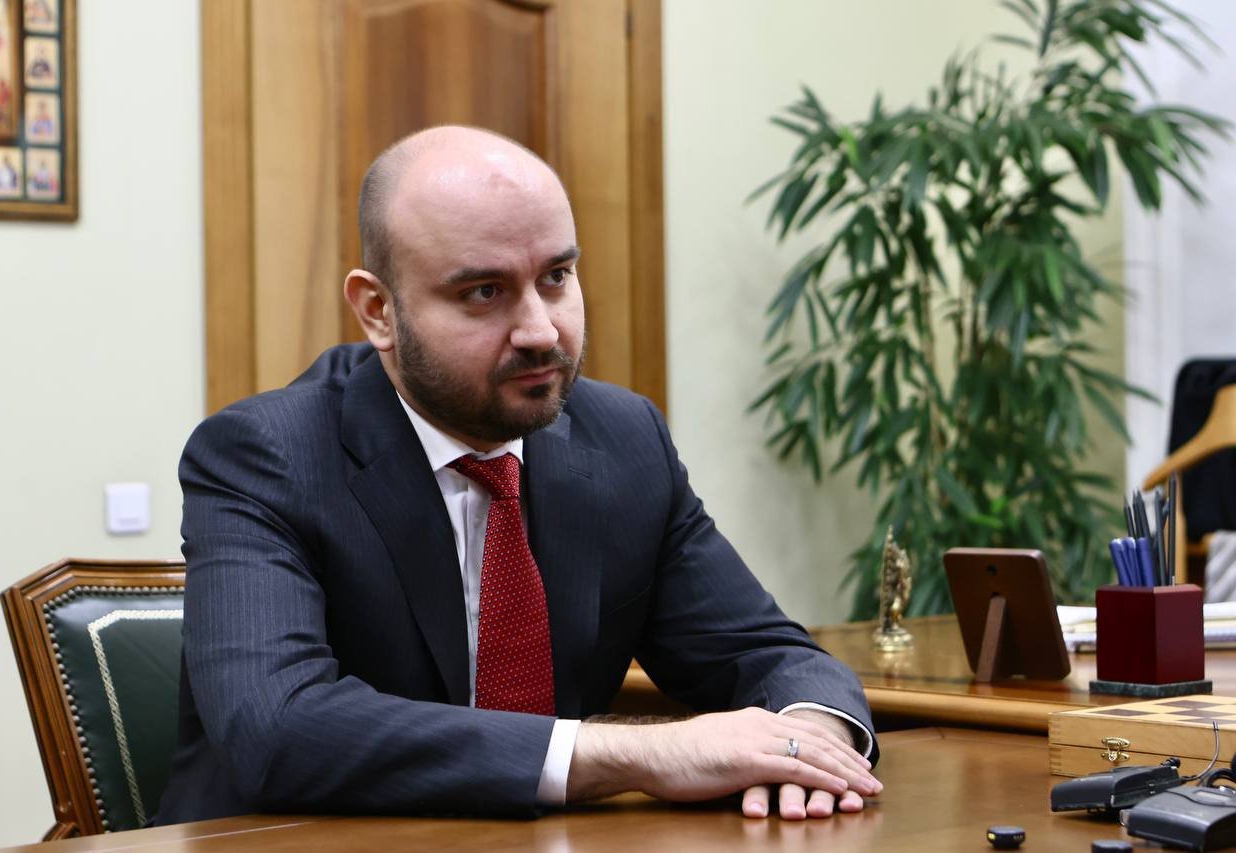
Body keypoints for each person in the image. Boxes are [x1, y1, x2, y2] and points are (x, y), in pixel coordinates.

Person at [156, 125, 880, 826]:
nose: (541, 330)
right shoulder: (267, 456)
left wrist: (807, 744)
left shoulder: (624, 440)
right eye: (484, 292)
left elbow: (764, 653)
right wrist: (639, 752)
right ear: (378, 312)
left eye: (556, 277)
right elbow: (278, 727)